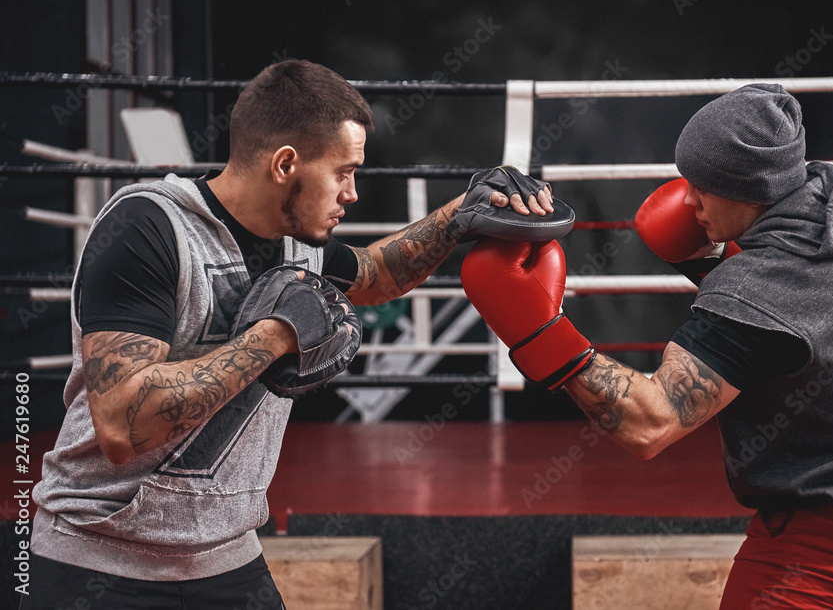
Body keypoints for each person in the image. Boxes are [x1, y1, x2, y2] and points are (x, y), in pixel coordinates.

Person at [25, 59, 556, 608]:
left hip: (226, 558)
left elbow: (375, 273)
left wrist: (459, 216)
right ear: (285, 164)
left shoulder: (298, 240)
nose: (352, 192)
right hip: (99, 565)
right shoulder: (147, 228)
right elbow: (120, 423)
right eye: (343, 171)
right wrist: (274, 336)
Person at [462, 83, 833, 608]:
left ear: (747, 187)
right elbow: (800, 324)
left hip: (823, 546)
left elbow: (651, 424)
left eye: (703, 186)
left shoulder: (758, 288)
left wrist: (538, 330)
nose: (687, 199)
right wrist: (708, 262)